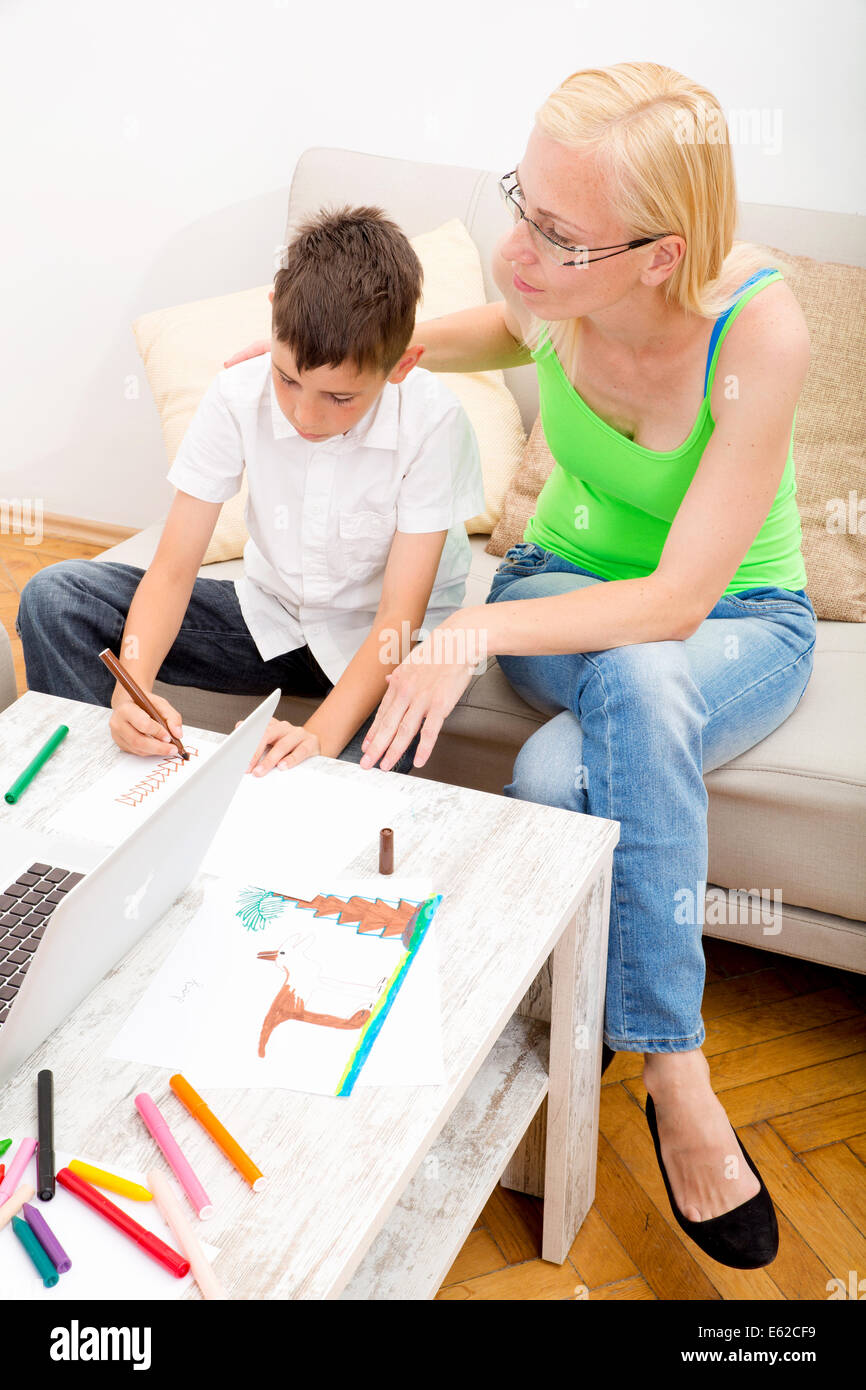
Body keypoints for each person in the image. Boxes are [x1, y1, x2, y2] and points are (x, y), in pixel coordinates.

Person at [245, 63, 812, 1270]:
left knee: (569, 767)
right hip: (553, 581)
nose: (515, 251)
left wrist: (466, 632)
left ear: (656, 256)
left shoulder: (755, 329)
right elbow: (471, 333)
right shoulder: (553, 291)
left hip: (734, 623)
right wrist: (334, 356)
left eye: (554, 234)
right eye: (521, 202)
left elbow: (672, 605)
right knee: (618, 699)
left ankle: (655, 1062)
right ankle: (656, 1064)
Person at [17, 206, 485, 778]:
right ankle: (96, 799)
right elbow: (171, 571)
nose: (303, 415)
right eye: (287, 379)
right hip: (275, 621)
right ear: (272, 321)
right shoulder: (237, 395)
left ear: (402, 365)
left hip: (387, 651)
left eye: (339, 398)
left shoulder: (433, 422)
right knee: (56, 596)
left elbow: (397, 618)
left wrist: (315, 739)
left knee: (373, 759)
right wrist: (129, 695)